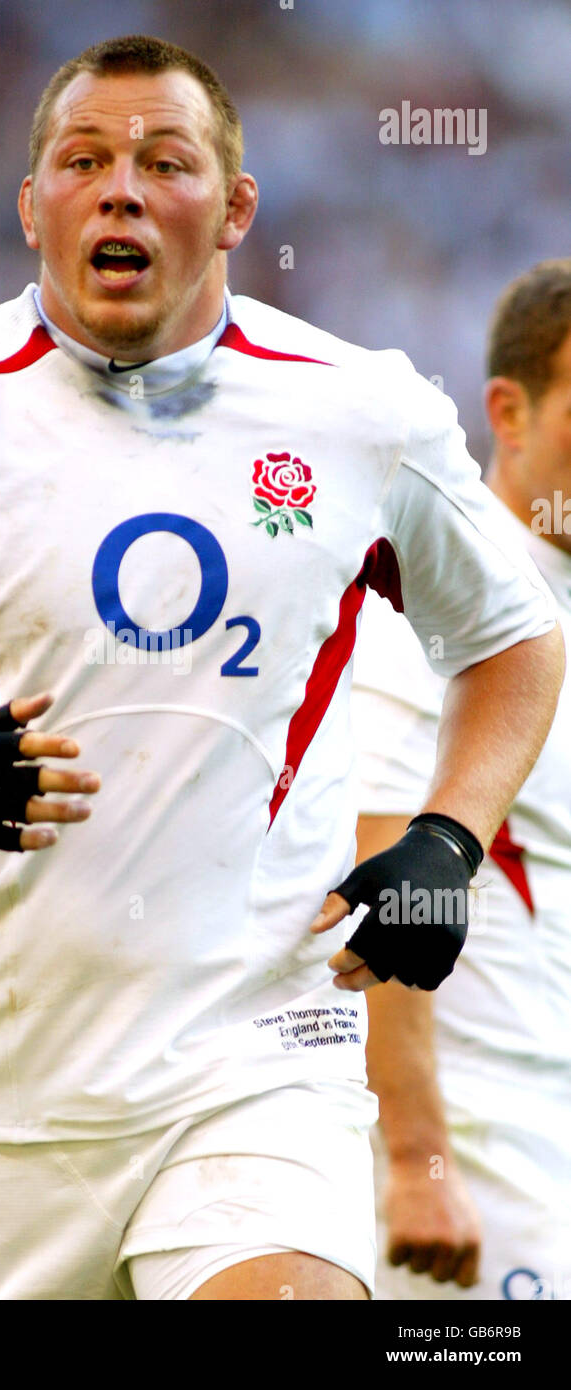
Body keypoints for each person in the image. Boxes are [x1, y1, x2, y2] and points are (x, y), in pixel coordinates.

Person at [0, 35, 564, 1301]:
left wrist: (446, 837)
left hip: (261, 1062)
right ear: (33, 204)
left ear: (231, 211)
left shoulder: (357, 411)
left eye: (164, 162)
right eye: (83, 160)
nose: (119, 188)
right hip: (5, 1103)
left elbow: (508, 635)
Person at [352, 259, 571, 1301]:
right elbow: (384, 871)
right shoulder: (454, 611)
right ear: (508, 410)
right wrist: (416, 1159)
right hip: (485, 1147)